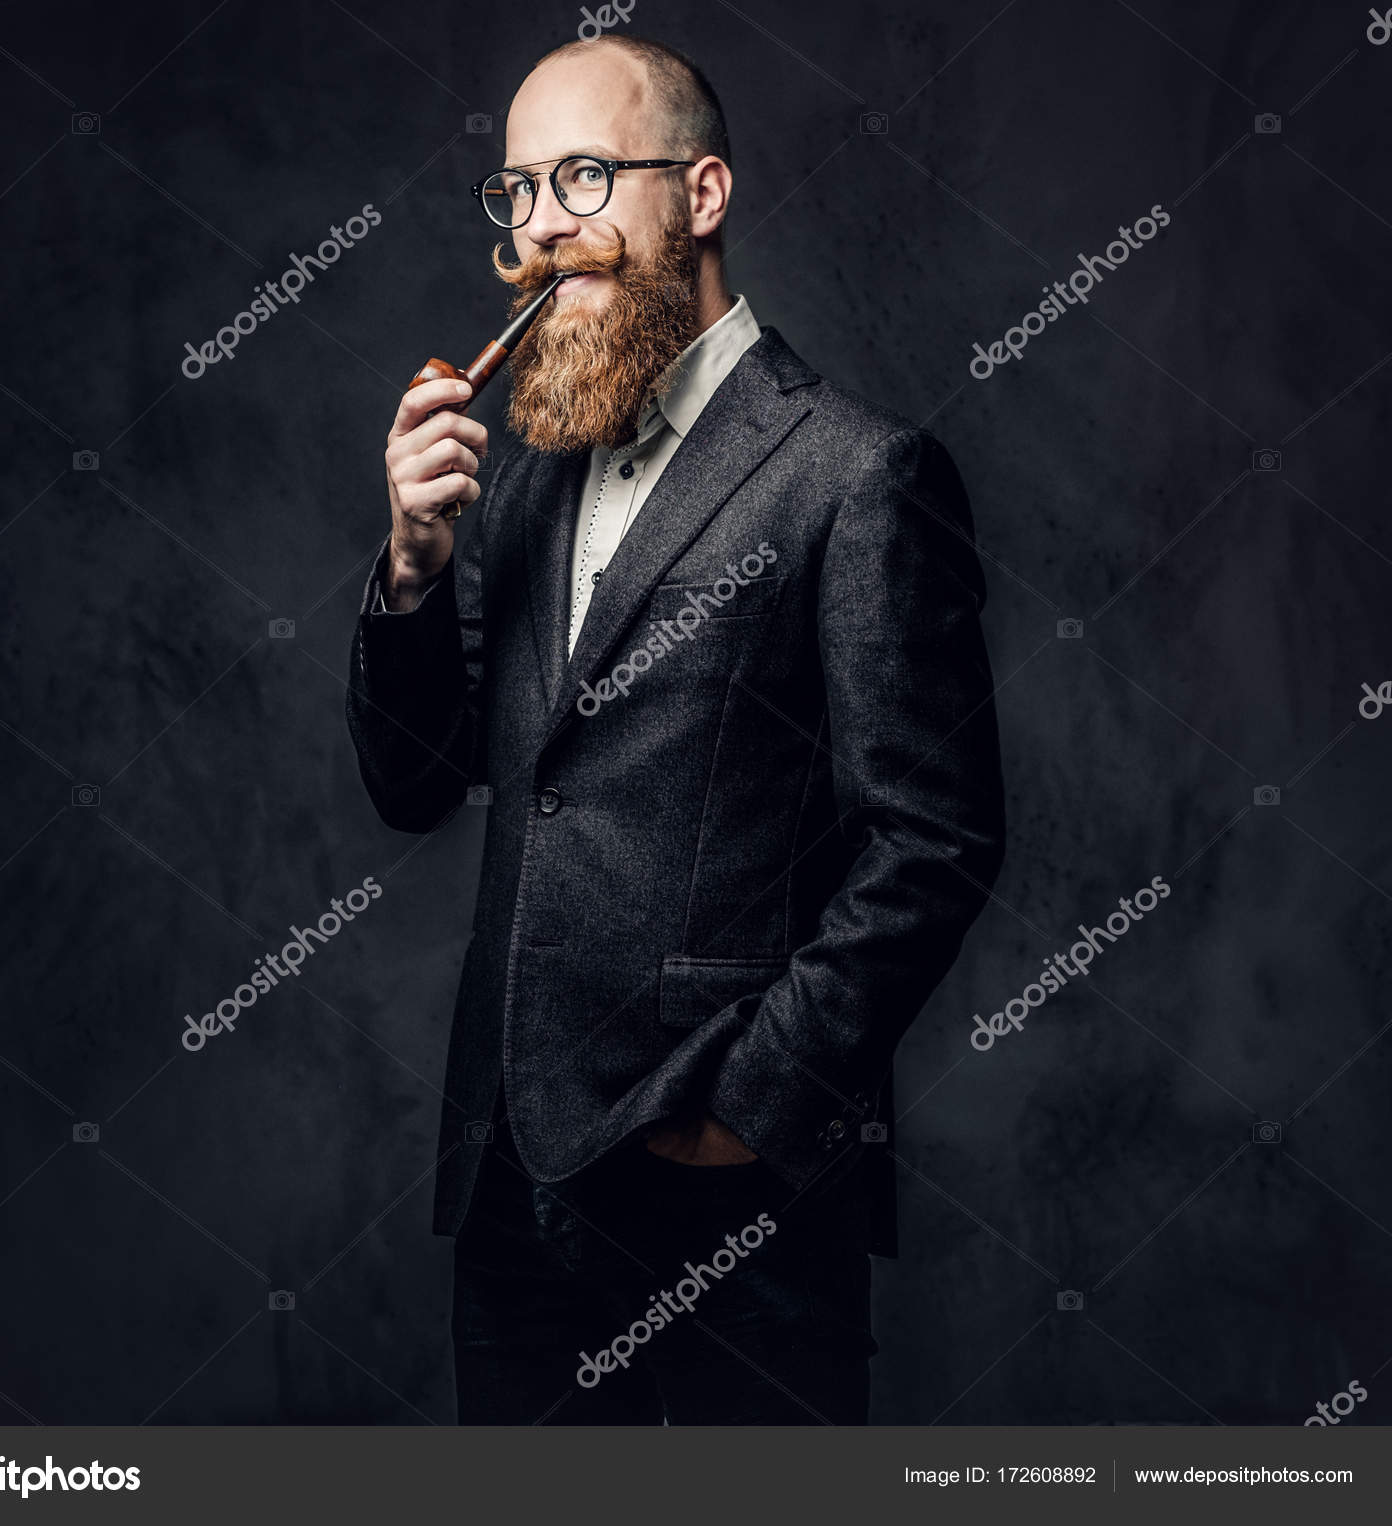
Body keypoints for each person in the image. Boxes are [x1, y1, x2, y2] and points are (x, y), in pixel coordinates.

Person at [346, 32, 1005, 1424]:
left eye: (584, 175)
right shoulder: (522, 483)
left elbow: (933, 842)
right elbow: (416, 784)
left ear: (701, 195)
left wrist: (747, 1111)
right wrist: (411, 564)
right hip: (515, 1192)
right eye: (517, 193)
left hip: (739, 1212)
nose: (541, 229)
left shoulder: (856, 474)